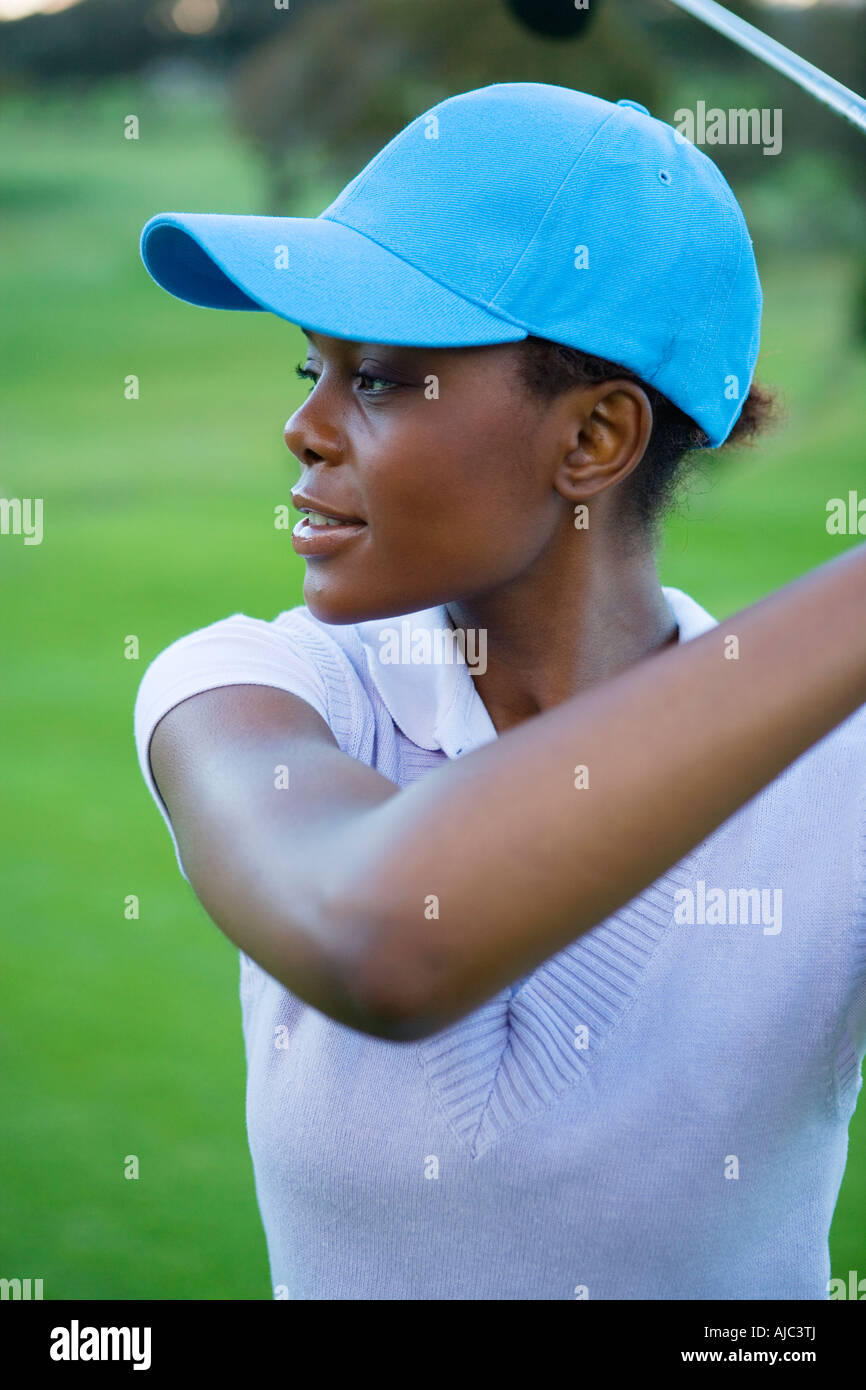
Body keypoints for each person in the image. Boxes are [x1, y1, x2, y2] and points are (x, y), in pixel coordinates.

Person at [134, 84, 866, 1300]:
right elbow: (379, 936)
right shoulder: (253, 686)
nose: (298, 428)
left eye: (372, 380)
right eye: (310, 368)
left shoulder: (841, 777)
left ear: (591, 441)